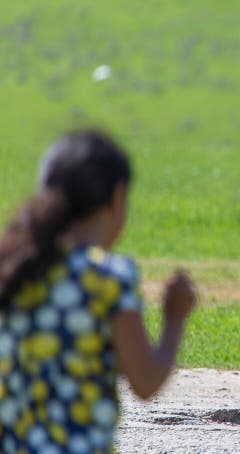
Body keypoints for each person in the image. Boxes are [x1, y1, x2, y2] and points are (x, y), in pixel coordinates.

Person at [0, 131, 196, 452]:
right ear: (117, 197)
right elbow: (145, 382)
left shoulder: (13, 268)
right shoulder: (106, 277)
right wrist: (174, 318)